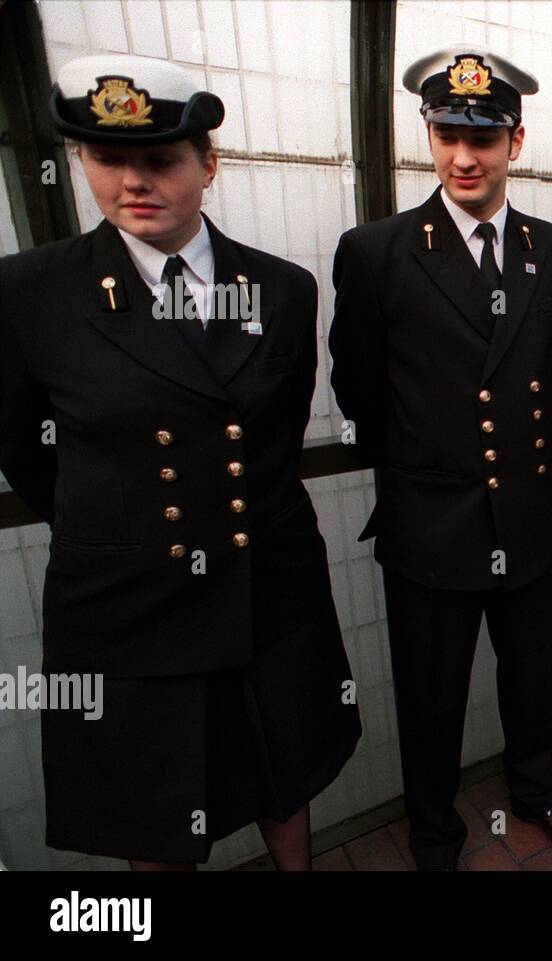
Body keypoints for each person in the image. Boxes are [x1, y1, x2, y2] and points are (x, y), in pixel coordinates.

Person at [0, 55, 360, 869]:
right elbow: (29, 451)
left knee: (284, 772)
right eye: (106, 158)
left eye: (161, 159)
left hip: (265, 585)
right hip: (131, 607)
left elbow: (272, 441)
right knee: (154, 810)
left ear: (208, 163)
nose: (133, 181)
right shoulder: (30, 293)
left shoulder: (281, 289)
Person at [328, 47, 552, 869]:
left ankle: (537, 794)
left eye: (482, 138)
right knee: (431, 697)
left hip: (524, 513)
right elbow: (358, 387)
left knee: (531, 679)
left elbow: (548, 360)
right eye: (447, 134)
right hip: (430, 524)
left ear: (515, 142)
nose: (463, 156)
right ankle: (434, 834)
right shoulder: (377, 250)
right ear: (428, 135)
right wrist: (432, 462)